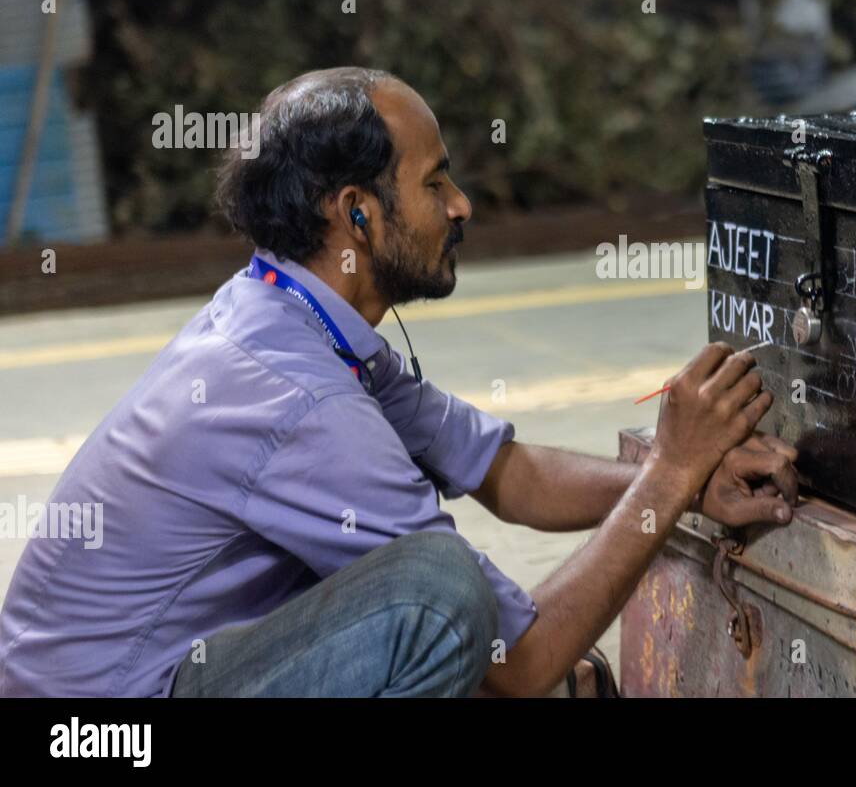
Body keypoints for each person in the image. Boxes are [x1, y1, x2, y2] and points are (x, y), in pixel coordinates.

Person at [0, 67, 798, 698]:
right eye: (434, 183)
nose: (462, 204)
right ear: (356, 213)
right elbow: (519, 662)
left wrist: (688, 483)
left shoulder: (289, 310)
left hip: (159, 677)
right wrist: (669, 470)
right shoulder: (297, 396)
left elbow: (508, 474)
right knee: (439, 589)